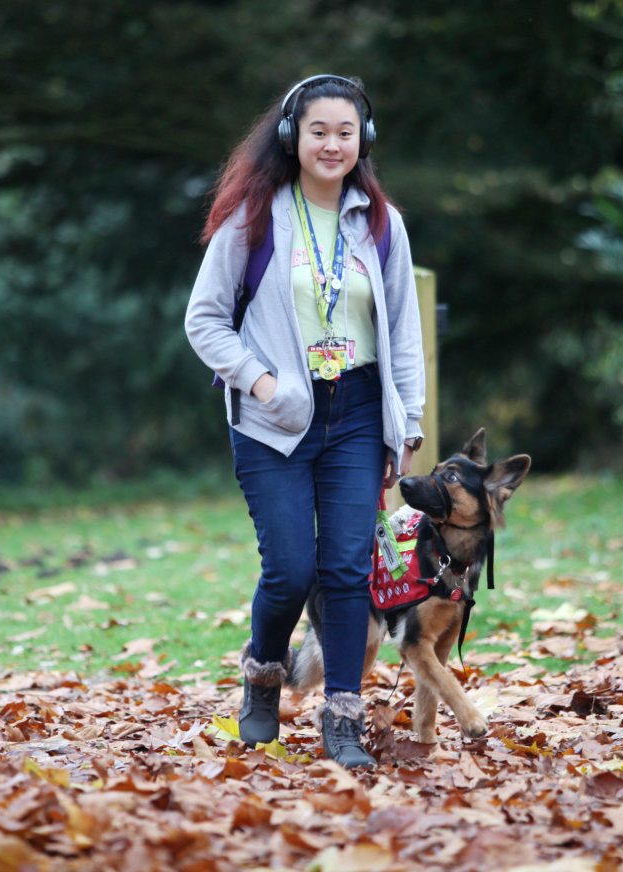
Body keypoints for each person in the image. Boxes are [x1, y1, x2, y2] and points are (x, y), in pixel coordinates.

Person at [185, 75, 425, 768]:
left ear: (363, 140)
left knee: (347, 569)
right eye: (318, 131)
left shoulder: (382, 224)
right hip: (273, 419)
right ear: (293, 137)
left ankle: (342, 718)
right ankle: (264, 674)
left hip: (358, 411)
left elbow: (403, 332)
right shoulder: (254, 218)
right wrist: (261, 382)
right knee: (290, 570)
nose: (332, 144)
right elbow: (204, 320)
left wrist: (406, 424)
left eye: (345, 132)